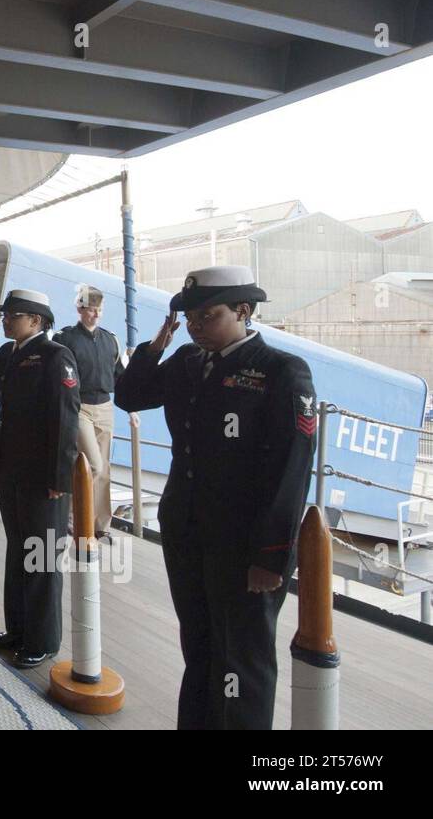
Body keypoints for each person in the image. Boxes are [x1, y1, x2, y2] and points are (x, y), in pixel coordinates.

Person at [115, 265, 316, 730]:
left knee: (241, 659)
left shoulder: (280, 371)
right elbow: (130, 395)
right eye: (189, 317)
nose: (196, 326)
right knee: (200, 645)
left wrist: (271, 557)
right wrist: (155, 346)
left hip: (244, 545)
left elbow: (290, 470)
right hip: (187, 530)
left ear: (244, 311)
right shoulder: (186, 361)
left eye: (209, 315)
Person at [0, 290, 80, 669]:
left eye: (13, 315)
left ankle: (43, 640)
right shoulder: (7, 354)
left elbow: (65, 420)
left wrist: (60, 478)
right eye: (6, 314)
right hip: (10, 467)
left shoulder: (55, 356)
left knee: (42, 555)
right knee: (18, 550)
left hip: (42, 474)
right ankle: (18, 629)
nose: (7, 321)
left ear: (36, 320)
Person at [52, 285, 125, 539]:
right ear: (79, 309)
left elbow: (120, 376)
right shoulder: (64, 339)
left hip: (105, 405)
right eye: (91, 309)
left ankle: (99, 525)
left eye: (99, 310)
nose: (96, 315)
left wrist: (132, 408)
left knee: (104, 468)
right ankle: (72, 516)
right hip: (78, 406)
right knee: (91, 463)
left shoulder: (110, 340)